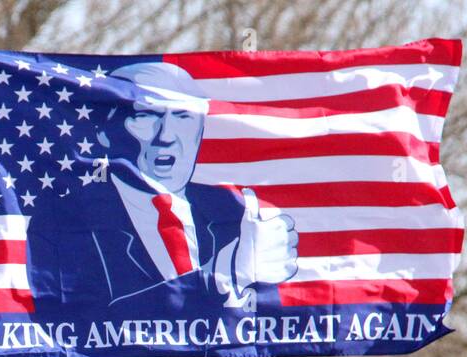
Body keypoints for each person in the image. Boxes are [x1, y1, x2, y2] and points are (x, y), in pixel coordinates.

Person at [27, 61, 299, 315]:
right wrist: (219, 278)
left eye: (183, 116)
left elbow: (270, 320)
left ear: (201, 128)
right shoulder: (64, 220)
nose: (166, 136)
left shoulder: (232, 208)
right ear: (103, 132)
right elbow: (80, 323)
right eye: (146, 115)